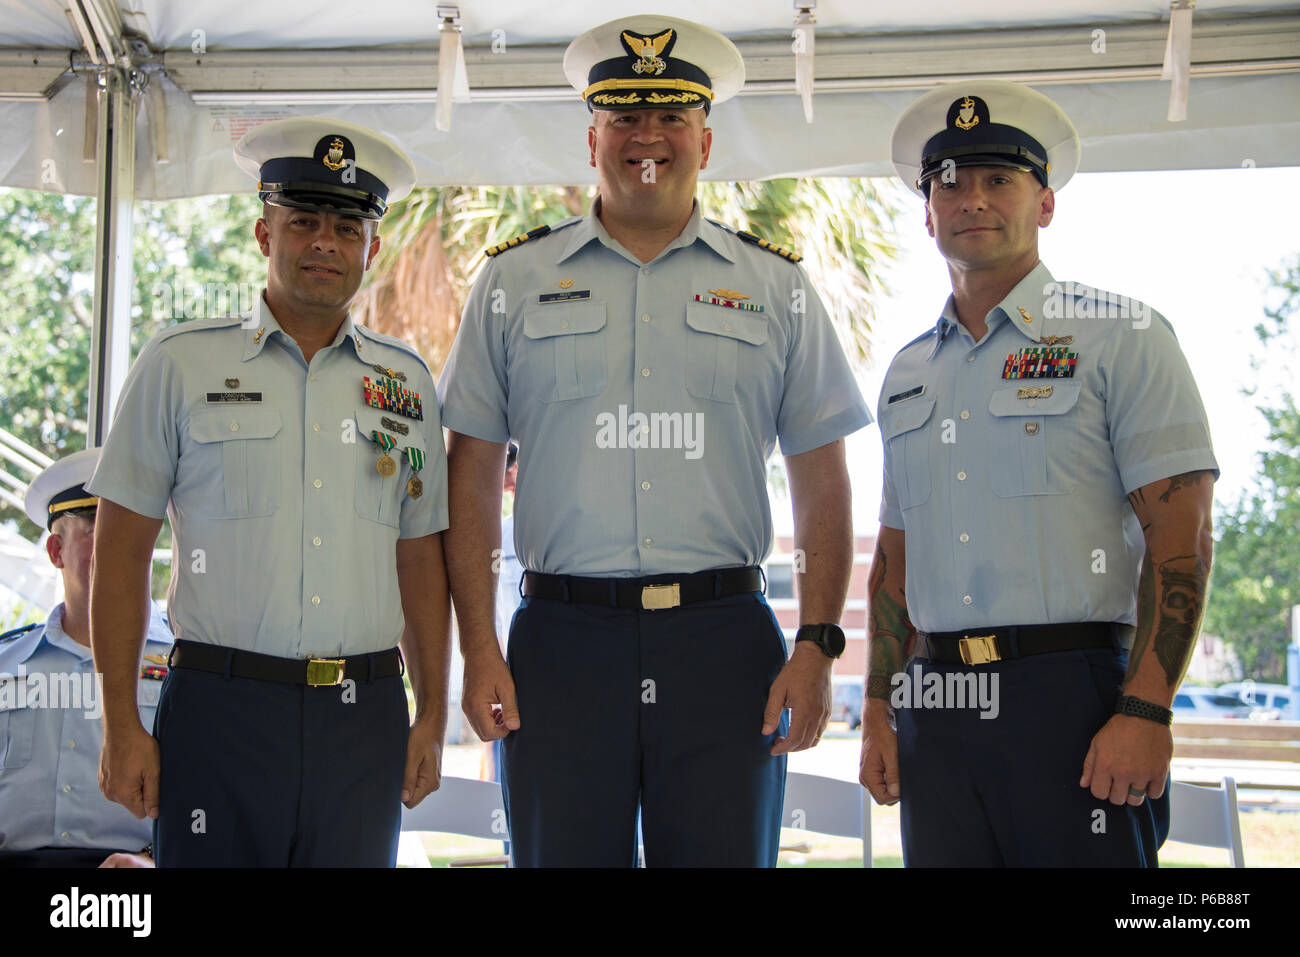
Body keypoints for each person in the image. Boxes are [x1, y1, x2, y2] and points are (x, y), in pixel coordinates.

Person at [439, 14, 871, 867]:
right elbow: (471, 477)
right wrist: (479, 648)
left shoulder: (774, 286)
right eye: (625, 118)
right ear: (592, 136)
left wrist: (817, 643)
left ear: (704, 142)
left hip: (724, 648)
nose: (647, 138)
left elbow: (823, 480)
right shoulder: (512, 282)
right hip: (561, 647)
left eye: (669, 117)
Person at [859, 80, 1218, 866]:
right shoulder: (907, 371)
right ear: (927, 212)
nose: (972, 198)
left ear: (1044, 203)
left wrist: (1147, 710)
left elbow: (1181, 538)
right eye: (949, 183)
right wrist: (880, 708)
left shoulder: (1123, 337)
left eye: (999, 179)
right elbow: (896, 557)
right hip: (936, 699)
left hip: (1073, 698)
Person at [87, 117, 451, 867]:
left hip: (363, 714)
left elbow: (420, 559)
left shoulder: (406, 384)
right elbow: (121, 551)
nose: (325, 242)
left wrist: (434, 712)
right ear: (263, 233)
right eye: (304, 221)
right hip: (220, 710)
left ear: (371, 248)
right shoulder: (180, 364)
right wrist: (120, 721)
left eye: (347, 228)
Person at [0, 448, 170, 867]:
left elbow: (215, 795)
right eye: (95, 527)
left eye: (130, 529)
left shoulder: (185, 666)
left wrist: (153, 861)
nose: (117, 543)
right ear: (56, 552)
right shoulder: (6, 666)